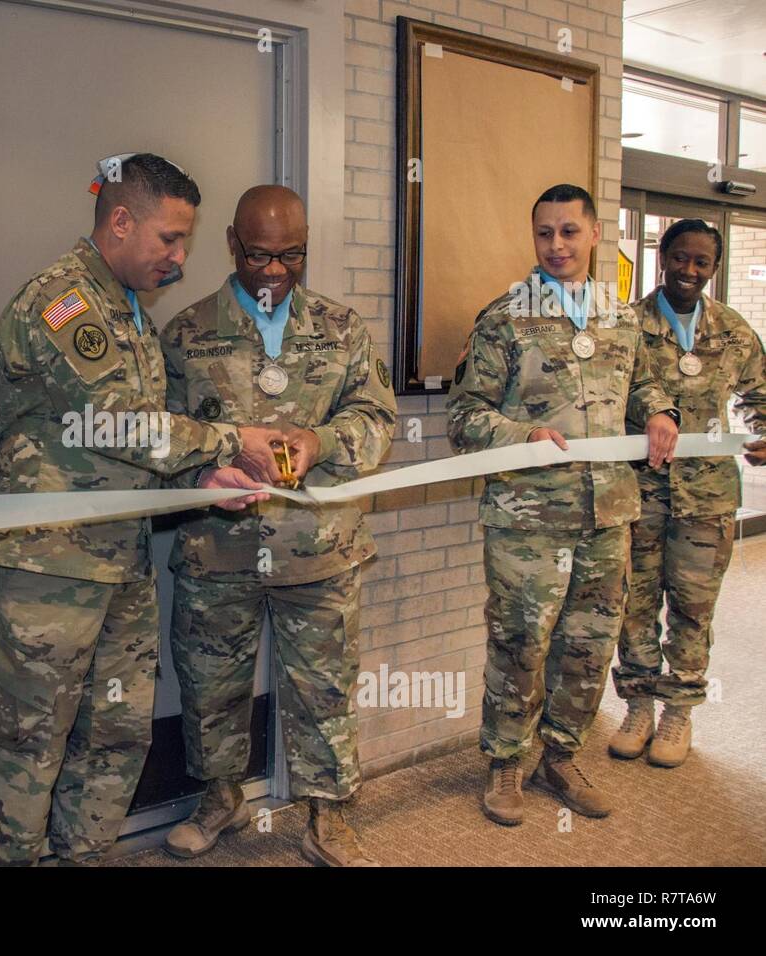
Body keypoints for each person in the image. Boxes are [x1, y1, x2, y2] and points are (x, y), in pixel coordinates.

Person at [0, 153, 291, 866]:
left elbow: (132, 449)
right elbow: (118, 424)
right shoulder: (66, 303)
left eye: (185, 242)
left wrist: (204, 475)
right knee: (25, 762)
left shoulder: (131, 314)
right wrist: (232, 438)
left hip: (119, 563)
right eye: (169, 239)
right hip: (49, 575)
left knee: (113, 744)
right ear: (119, 221)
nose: (178, 258)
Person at [159, 185, 396, 866]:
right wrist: (213, 460)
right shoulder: (186, 333)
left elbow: (377, 422)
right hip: (217, 549)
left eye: (290, 255)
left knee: (323, 689)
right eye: (259, 255)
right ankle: (221, 797)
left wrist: (321, 443)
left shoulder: (343, 330)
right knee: (210, 688)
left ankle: (327, 812)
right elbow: (159, 436)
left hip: (319, 550)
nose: (273, 271)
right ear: (232, 243)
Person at [446, 183, 679, 826]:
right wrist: (524, 436)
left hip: (610, 513)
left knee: (588, 644)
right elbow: (464, 417)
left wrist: (660, 411)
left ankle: (561, 755)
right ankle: (504, 764)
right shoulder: (504, 319)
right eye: (544, 233)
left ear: (595, 234)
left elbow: (643, 385)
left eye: (569, 232)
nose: (556, 246)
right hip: (529, 518)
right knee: (520, 643)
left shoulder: (621, 317)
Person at [610, 219, 766, 767]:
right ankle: (637, 704)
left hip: (707, 496)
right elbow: (613, 391)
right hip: (640, 490)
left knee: (693, 608)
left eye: (701, 262)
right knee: (636, 601)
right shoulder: (626, 324)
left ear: (714, 268)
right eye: (680, 258)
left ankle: (679, 709)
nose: (689, 270)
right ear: (662, 258)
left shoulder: (735, 332)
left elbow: (760, 395)